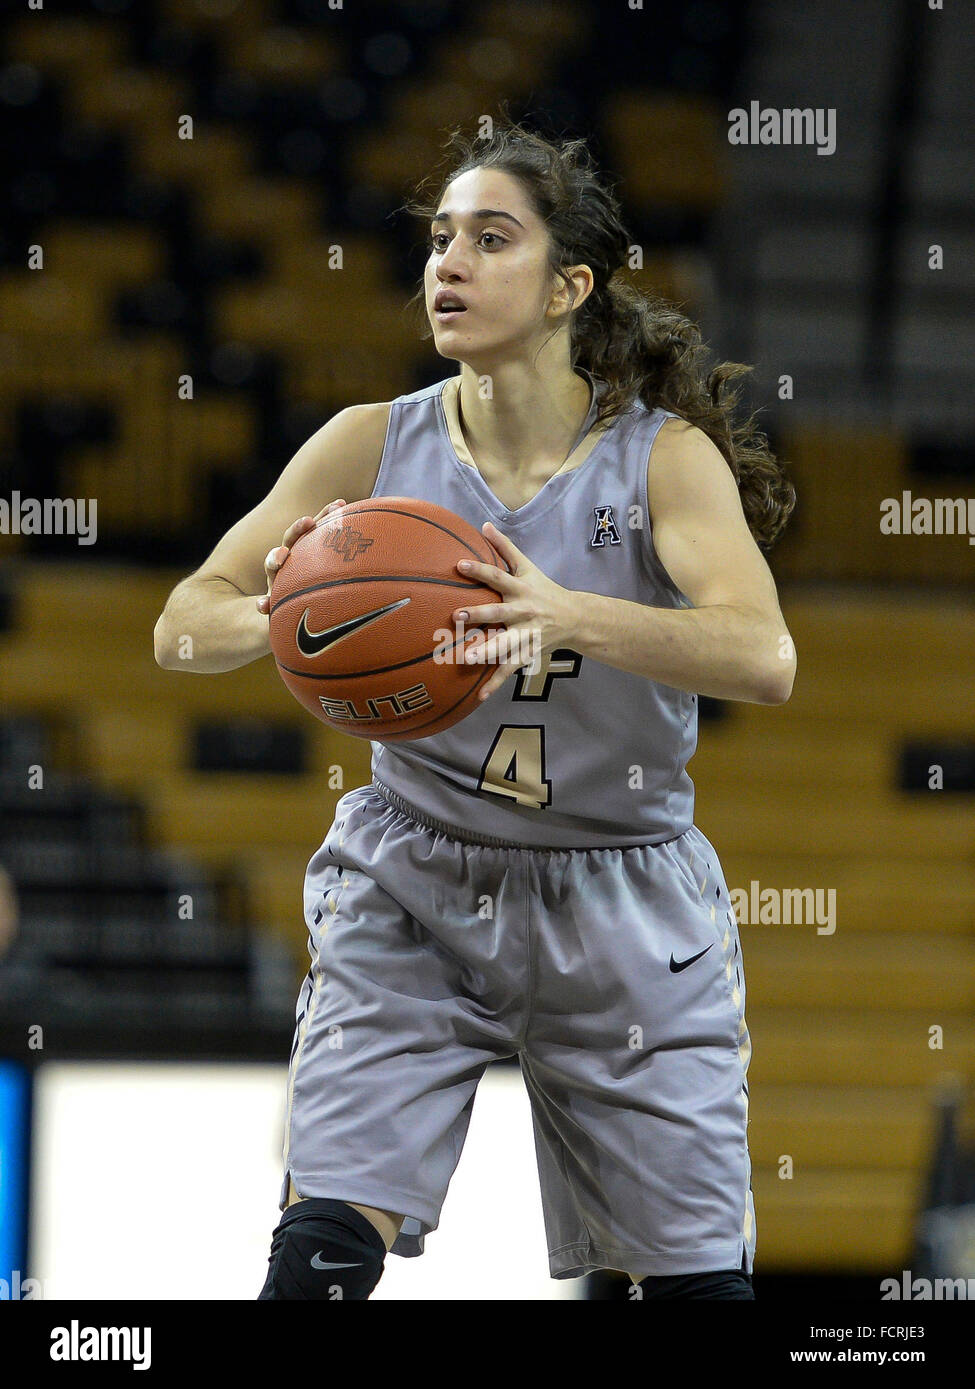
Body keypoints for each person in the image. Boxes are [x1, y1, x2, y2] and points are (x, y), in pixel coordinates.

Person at [154, 116, 796, 1300]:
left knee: (700, 1290)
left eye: (490, 239)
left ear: (568, 288)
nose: (447, 263)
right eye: (440, 238)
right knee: (316, 1253)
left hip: (625, 882)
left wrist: (569, 615)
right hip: (416, 880)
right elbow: (182, 621)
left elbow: (764, 656)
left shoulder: (660, 460)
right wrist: (287, 612)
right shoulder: (368, 445)